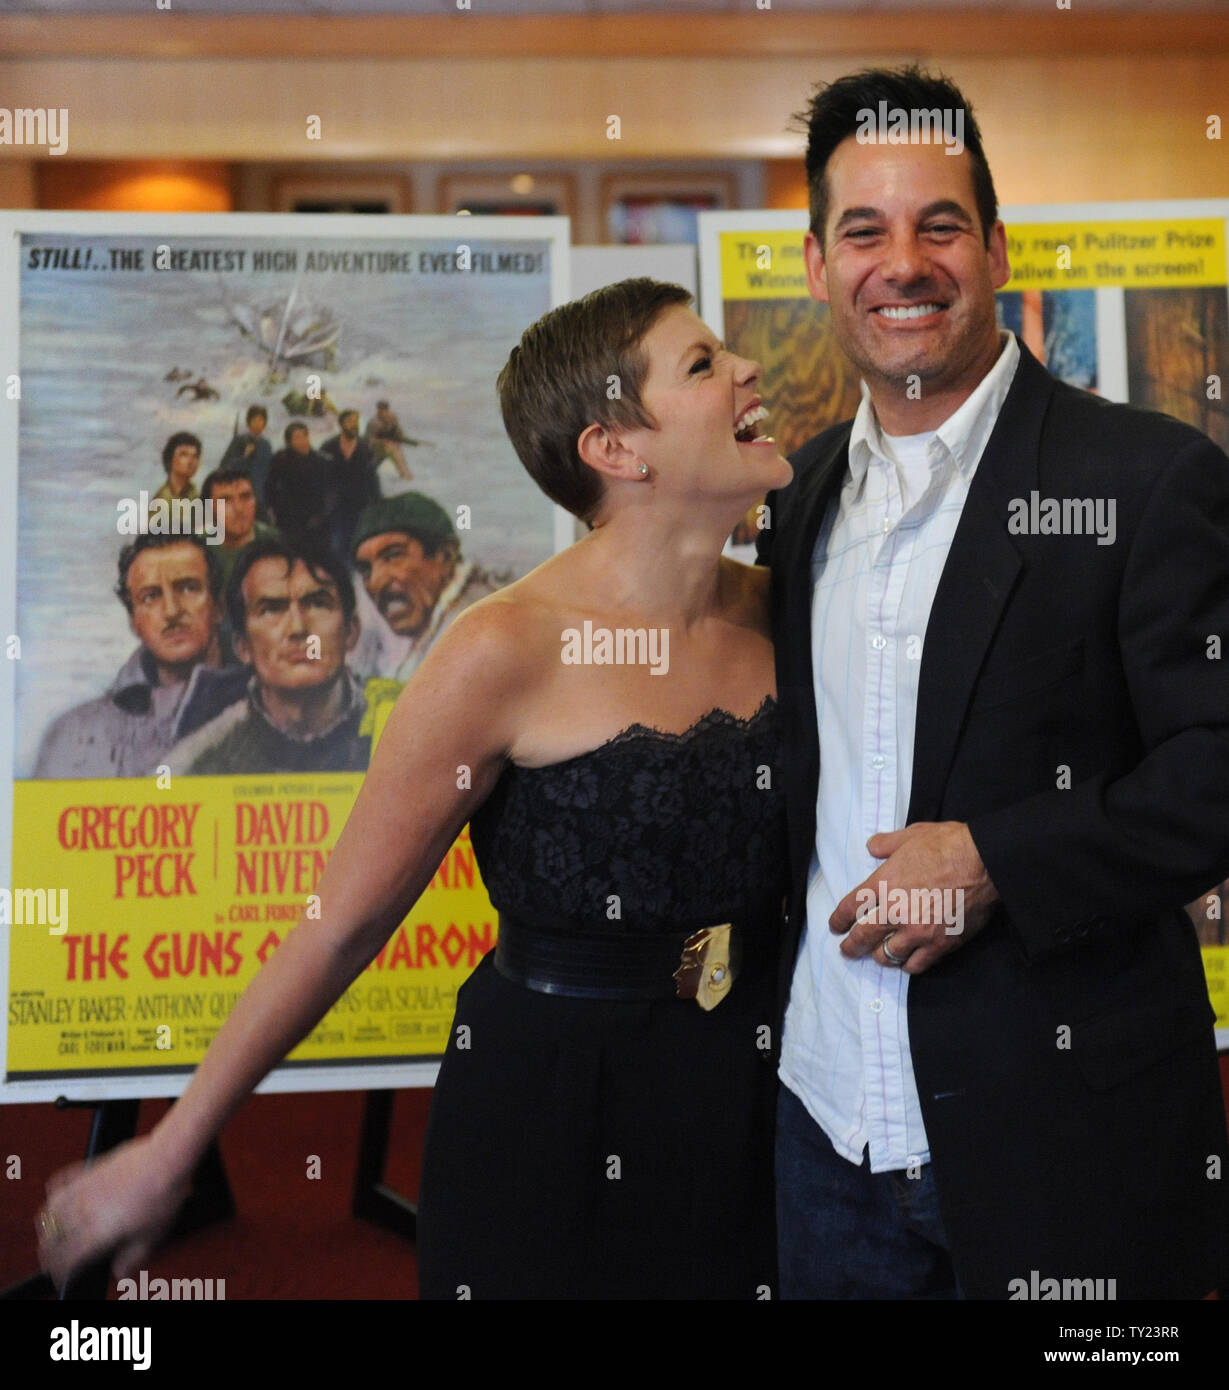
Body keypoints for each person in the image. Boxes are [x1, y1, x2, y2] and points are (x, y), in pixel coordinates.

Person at [36, 278, 792, 1300]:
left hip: (759, 1093)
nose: (746, 368)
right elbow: (336, 926)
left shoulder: (786, 603)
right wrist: (168, 1151)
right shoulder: (499, 651)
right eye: (701, 364)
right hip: (555, 1115)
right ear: (616, 446)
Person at [759, 65, 1229, 1300]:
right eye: (862, 230)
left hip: (1063, 1135)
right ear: (815, 264)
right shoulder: (793, 500)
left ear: (998, 248)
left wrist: (994, 860)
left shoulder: (1145, 477)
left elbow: (1214, 769)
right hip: (822, 1132)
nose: (900, 262)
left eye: (939, 225)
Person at [33, 533, 247, 778]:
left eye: (188, 588)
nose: (171, 610)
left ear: (218, 606)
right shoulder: (73, 735)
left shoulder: (270, 710)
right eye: (151, 596)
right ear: (134, 621)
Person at [164, 537, 370, 775]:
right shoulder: (192, 767)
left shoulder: (400, 731)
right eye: (272, 609)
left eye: (317, 604)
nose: (297, 629)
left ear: (351, 632)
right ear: (243, 647)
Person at [350, 492, 502, 685]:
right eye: (365, 569)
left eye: (394, 556)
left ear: (445, 556)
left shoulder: (478, 622)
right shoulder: (437, 628)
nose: (375, 581)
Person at [198, 467, 279, 591]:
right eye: (226, 500)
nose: (239, 509)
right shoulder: (197, 547)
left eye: (246, 497)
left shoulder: (278, 543)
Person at [264, 420, 336, 554]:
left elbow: (330, 493)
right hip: (288, 520)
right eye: (297, 438)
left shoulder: (322, 461)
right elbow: (270, 487)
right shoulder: (280, 459)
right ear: (289, 442)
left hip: (315, 520)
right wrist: (273, 510)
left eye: (304, 436)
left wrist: (322, 516)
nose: (302, 441)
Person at [320, 409, 380, 563]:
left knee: (357, 543)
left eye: (356, 421)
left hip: (360, 503)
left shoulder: (365, 447)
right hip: (335, 506)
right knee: (336, 546)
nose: (354, 425)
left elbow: (372, 477)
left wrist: (378, 502)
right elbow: (320, 477)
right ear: (341, 425)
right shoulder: (328, 447)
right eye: (350, 422)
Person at [218, 404, 274, 517]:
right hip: (241, 497)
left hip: (261, 499)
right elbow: (224, 467)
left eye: (261, 420)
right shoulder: (239, 441)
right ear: (249, 422)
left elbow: (269, 472)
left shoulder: (266, 444)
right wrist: (244, 456)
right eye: (255, 420)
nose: (258, 424)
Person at [364, 398, 418, 481]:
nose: (382, 412)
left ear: (388, 410)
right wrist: (382, 442)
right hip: (375, 450)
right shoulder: (373, 423)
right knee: (369, 470)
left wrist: (407, 440)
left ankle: (406, 476)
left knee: (395, 451)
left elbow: (399, 433)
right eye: (380, 410)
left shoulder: (393, 418)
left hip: (389, 448)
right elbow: (368, 440)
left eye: (384, 410)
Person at [153, 431, 202, 504]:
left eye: (195, 456)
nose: (191, 461)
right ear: (170, 459)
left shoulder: (198, 497)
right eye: (184, 455)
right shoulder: (162, 500)